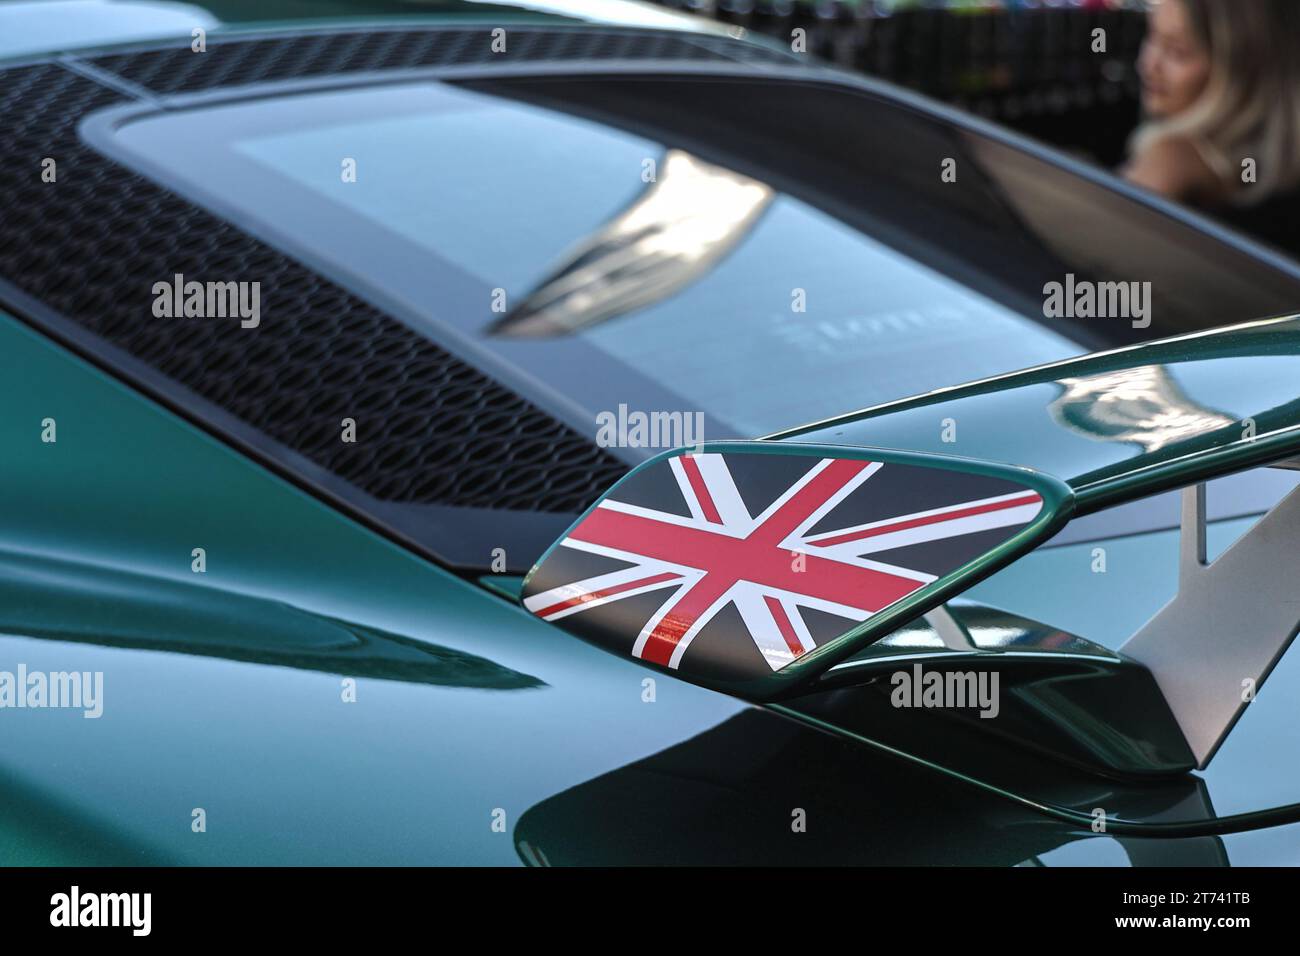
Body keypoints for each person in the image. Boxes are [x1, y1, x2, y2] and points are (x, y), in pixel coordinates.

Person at [1123, 0, 1300, 255]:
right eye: (1151, 36)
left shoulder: (1172, 159)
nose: (1148, 64)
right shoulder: (1279, 174)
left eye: (1177, 52)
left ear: (1241, 71)